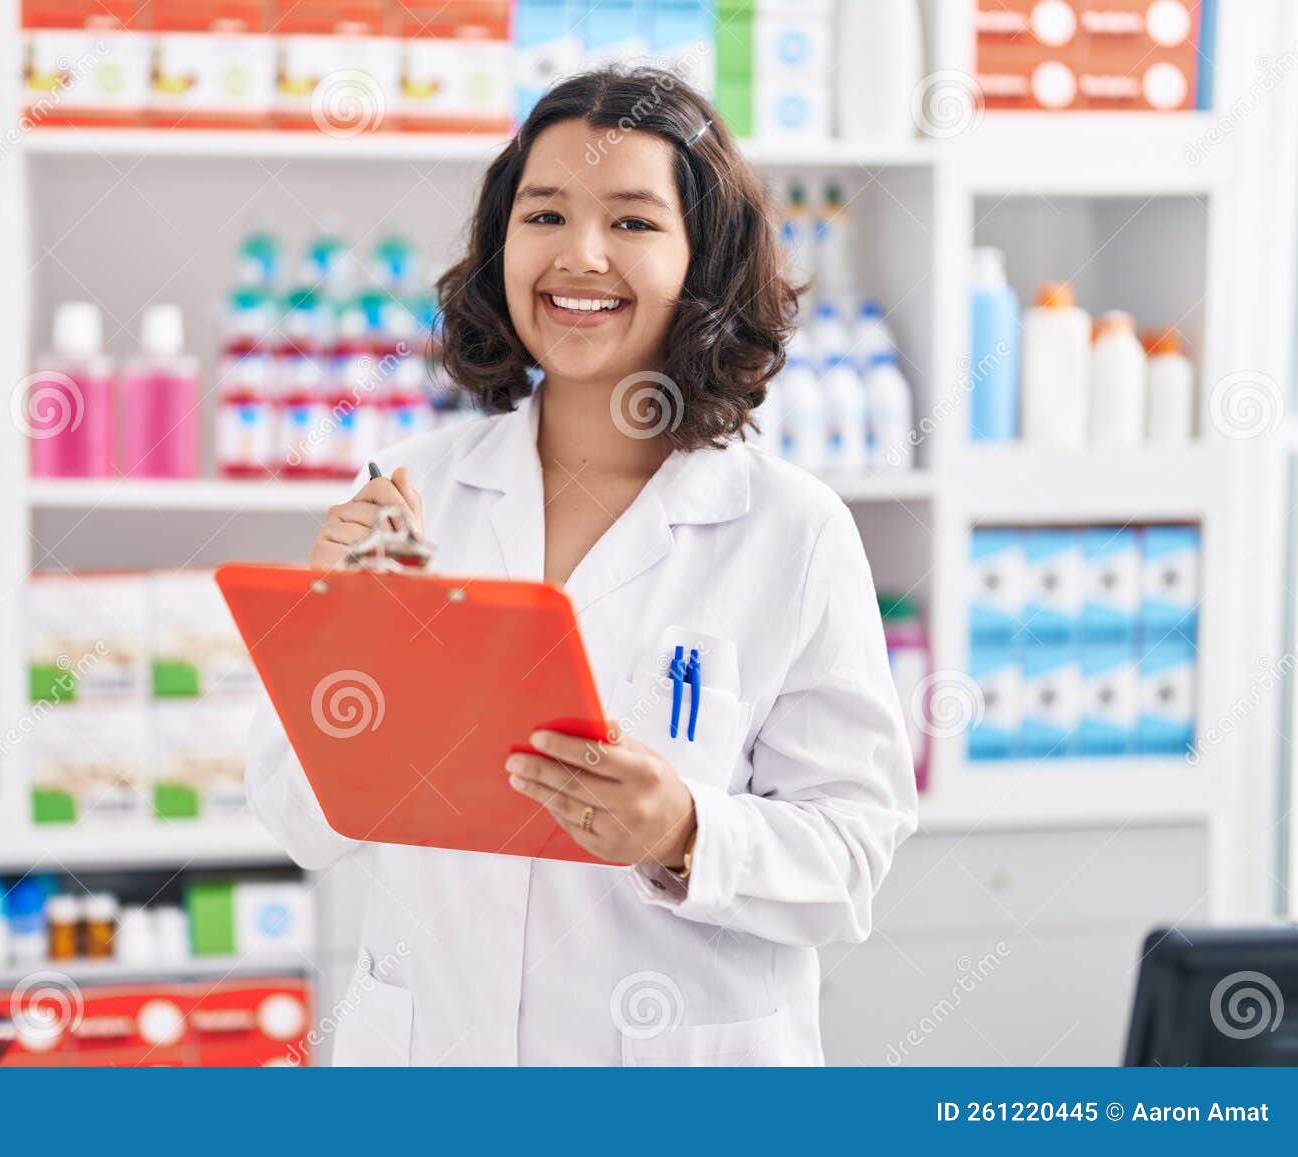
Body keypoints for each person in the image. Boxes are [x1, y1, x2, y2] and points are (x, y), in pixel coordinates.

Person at [248, 67, 917, 1066]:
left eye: (633, 221)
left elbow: (854, 852)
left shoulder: (791, 529)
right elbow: (301, 821)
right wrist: (341, 635)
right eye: (545, 214)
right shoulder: (410, 494)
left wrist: (684, 831)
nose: (580, 254)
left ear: (704, 261)